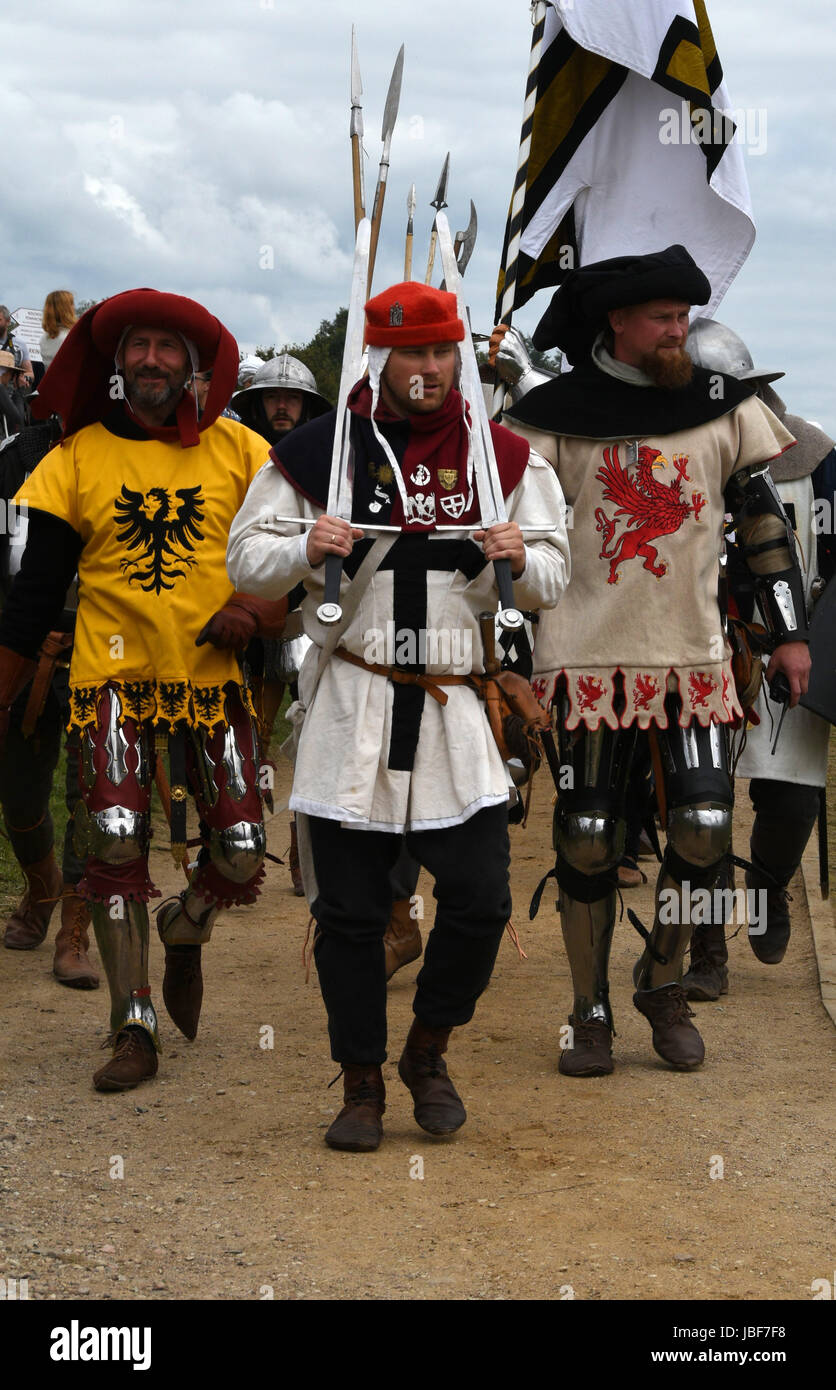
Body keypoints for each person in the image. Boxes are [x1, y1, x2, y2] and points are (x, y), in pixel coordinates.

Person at [228, 281, 570, 1151]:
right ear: (378, 358)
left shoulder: (500, 456)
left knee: (482, 900)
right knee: (348, 911)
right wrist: (307, 544)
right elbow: (246, 558)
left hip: (457, 706)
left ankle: (428, 1048)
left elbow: (554, 577)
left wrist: (518, 557)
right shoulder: (318, 454)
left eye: (441, 351)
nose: (430, 368)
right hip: (355, 698)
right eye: (413, 352)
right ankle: (362, 1083)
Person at [491, 245, 810, 1076]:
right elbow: (513, 547)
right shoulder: (550, 417)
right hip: (584, 657)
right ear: (618, 324)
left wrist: (788, 635)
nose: (681, 333)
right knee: (590, 835)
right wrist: (510, 654)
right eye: (665, 319)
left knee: (704, 828)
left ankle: (661, 980)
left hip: (695, 658)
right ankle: (588, 1008)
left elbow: (762, 527)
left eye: (684, 317)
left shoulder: (723, 407)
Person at [0, 288, 286, 1091]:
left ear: (193, 366)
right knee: (118, 836)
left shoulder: (242, 452)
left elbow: (292, 568)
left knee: (235, 853)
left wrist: (251, 609)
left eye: (168, 347)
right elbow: (34, 595)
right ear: (117, 364)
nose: (152, 359)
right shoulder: (77, 456)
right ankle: (134, 1025)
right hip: (110, 679)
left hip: (209, 680)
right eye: (138, 347)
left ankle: (184, 921)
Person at [680, 318, 836, 994]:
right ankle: (705, 947)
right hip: (700, 646)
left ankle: (769, 891)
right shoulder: (675, 451)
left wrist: (810, 633)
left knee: (791, 795)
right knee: (698, 805)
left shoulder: (820, 460)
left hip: (796, 643)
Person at [0, 411, 97, 985]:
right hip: (24, 639)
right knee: (17, 788)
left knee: (94, 790)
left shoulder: (133, 447)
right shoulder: (17, 455)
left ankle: (75, 927)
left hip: (105, 645)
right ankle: (41, 888)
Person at [233, 354, 331, 895]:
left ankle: (303, 850)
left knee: (311, 737)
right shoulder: (241, 456)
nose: (281, 405)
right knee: (249, 738)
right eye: (272, 397)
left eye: (291, 398)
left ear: (307, 406)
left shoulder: (321, 461)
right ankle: (241, 853)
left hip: (308, 619)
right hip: (241, 614)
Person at [40, 291, 77, 371]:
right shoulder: (70, 337)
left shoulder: (44, 338)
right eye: (72, 304)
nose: (74, 307)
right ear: (66, 309)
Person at [0, 306, 34, 388]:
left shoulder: (19, 345)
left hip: (11, 395)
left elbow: (30, 373)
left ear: (8, 322)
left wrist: (24, 378)